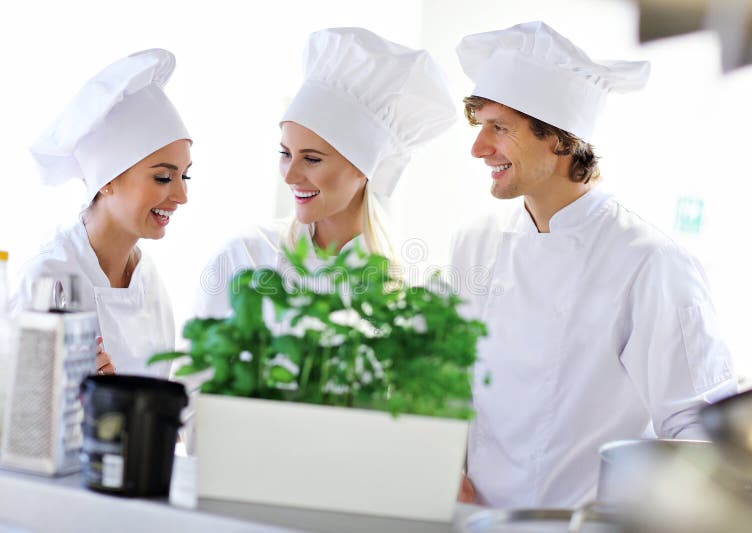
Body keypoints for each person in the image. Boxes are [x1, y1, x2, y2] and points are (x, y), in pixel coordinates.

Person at [451, 21, 737, 508]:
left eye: (498, 128)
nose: (478, 148)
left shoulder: (649, 262)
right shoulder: (474, 243)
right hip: (469, 518)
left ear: (558, 140)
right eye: (480, 127)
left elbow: (699, 428)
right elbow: (448, 381)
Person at [194, 27, 456, 318]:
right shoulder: (245, 257)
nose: (290, 175)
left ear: (363, 169)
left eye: (312, 159)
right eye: (285, 154)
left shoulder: (402, 286)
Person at [13, 49, 192, 378]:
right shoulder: (48, 279)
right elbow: (4, 408)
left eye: (185, 176)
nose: (181, 195)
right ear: (107, 180)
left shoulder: (149, 281)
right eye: (164, 177)